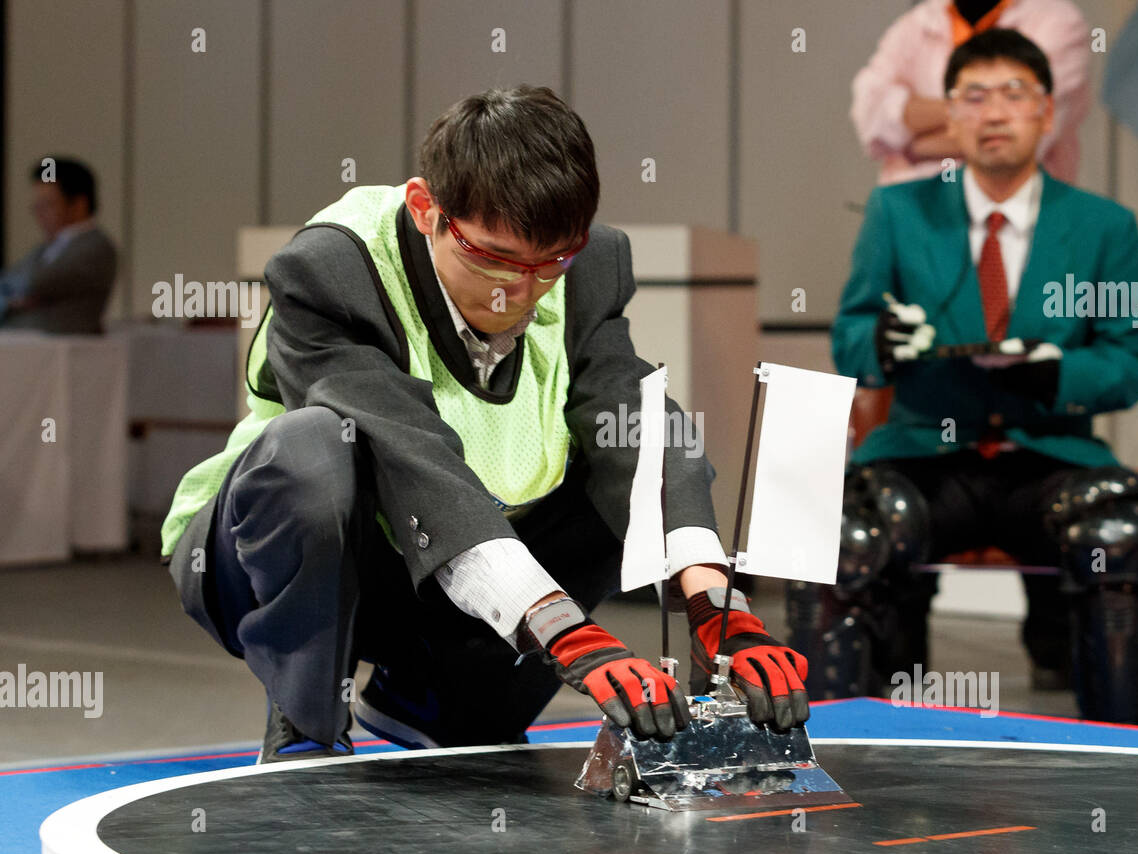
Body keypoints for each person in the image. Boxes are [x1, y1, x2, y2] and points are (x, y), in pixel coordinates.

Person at [160, 86, 809, 762]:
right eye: (494, 259)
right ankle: (307, 720)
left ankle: (441, 699)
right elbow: (414, 462)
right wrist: (565, 631)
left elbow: (634, 424)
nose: (520, 291)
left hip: (448, 574)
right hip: (277, 561)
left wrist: (714, 601)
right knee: (316, 449)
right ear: (426, 210)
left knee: (633, 448)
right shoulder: (332, 271)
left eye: (549, 263)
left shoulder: (593, 265)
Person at [791, 29, 1138, 725]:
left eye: (1014, 95)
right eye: (973, 96)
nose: (994, 114)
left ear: (1047, 114)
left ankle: (1127, 749)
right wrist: (877, 341)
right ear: (951, 117)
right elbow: (850, 336)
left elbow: (1134, 358)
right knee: (848, 535)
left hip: (1050, 460)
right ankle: (833, 744)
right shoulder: (899, 212)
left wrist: (1059, 374)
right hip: (925, 460)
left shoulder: (1104, 226)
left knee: (1118, 532)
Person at [849, 0, 1090, 186]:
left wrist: (911, 145)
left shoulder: (1057, 21)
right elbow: (870, 117)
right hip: (917, 214)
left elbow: (1023, 137)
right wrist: (993, 108)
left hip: (1025, 217)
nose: (993, 116)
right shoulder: (916, 23)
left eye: (1010, 93)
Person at [0, 158, 116, 335]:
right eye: (37, 206)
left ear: (78, 204)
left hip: (59, 341)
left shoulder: (96, 247)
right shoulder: (47, 247)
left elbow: (38, 282)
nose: (38, 214)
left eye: (47, 204)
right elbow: (12, 279)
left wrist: (16, 295)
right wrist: (14, 298)